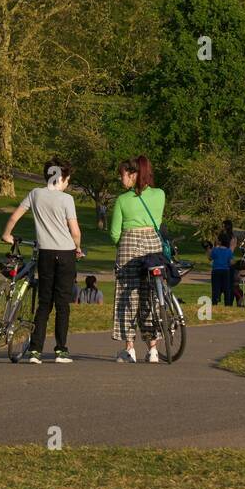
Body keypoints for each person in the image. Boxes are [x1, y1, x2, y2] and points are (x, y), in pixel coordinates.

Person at [2, 158, 82, 365]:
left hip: (45, 253)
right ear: (61, 178)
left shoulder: (35, 194)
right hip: (65, 253)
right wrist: (78, 248)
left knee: (44, 302)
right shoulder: (66, 200)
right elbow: (75, 231)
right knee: (62, 303)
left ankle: (35, 350)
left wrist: (7, 234)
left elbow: (15, 216)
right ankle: (60, 350)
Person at [109, 156, 168, 364]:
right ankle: (153, 349)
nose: (120, 179)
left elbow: (114, 233)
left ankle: (129, 348)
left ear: (133, 175)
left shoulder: (122, 200)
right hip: (152, 243)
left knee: (127, 298)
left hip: (129, 245)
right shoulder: (160, 195)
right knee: (150, 295)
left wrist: (123, 243)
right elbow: (158, 222)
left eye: (122, 175)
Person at [209, 234, 234, 307]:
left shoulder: (215, 250)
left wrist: (209, 250)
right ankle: (227, 303)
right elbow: (231, 261)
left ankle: (215, 302)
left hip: (216, 270)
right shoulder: (229, 251)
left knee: (215, 288)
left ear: (220, 241)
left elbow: (210, 258)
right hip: (225, 270)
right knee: (226, 288)